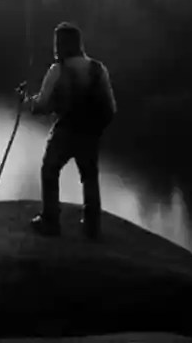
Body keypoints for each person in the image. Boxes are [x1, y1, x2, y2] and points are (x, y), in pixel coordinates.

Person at [21, 22, 116, 239]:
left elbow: (42, 105)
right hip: (90, 132)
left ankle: (50, 220)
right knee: (90, 177)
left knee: (50, 170)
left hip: (66, 130)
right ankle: (92, 227)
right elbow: (110, 107)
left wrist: (26, 101)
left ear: (61, 45)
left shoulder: (57, 70)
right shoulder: (98, 69)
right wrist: (97, 128)